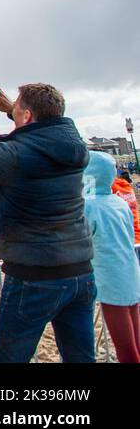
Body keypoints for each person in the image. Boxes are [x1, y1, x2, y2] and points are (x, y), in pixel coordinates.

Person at [0, 85, 95, 363]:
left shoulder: (14, 156)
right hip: (80, 271)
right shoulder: (74, 147)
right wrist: (14, 110)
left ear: (28, 115)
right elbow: (45, 134)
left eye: (19, 106)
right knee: (81, 358)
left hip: (34, 275)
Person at [83, 152, 140, 362]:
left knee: (125, 348)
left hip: (110, 280)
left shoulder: (89, 206)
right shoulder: (118, 202)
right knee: (135, 340)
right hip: (130, 273)